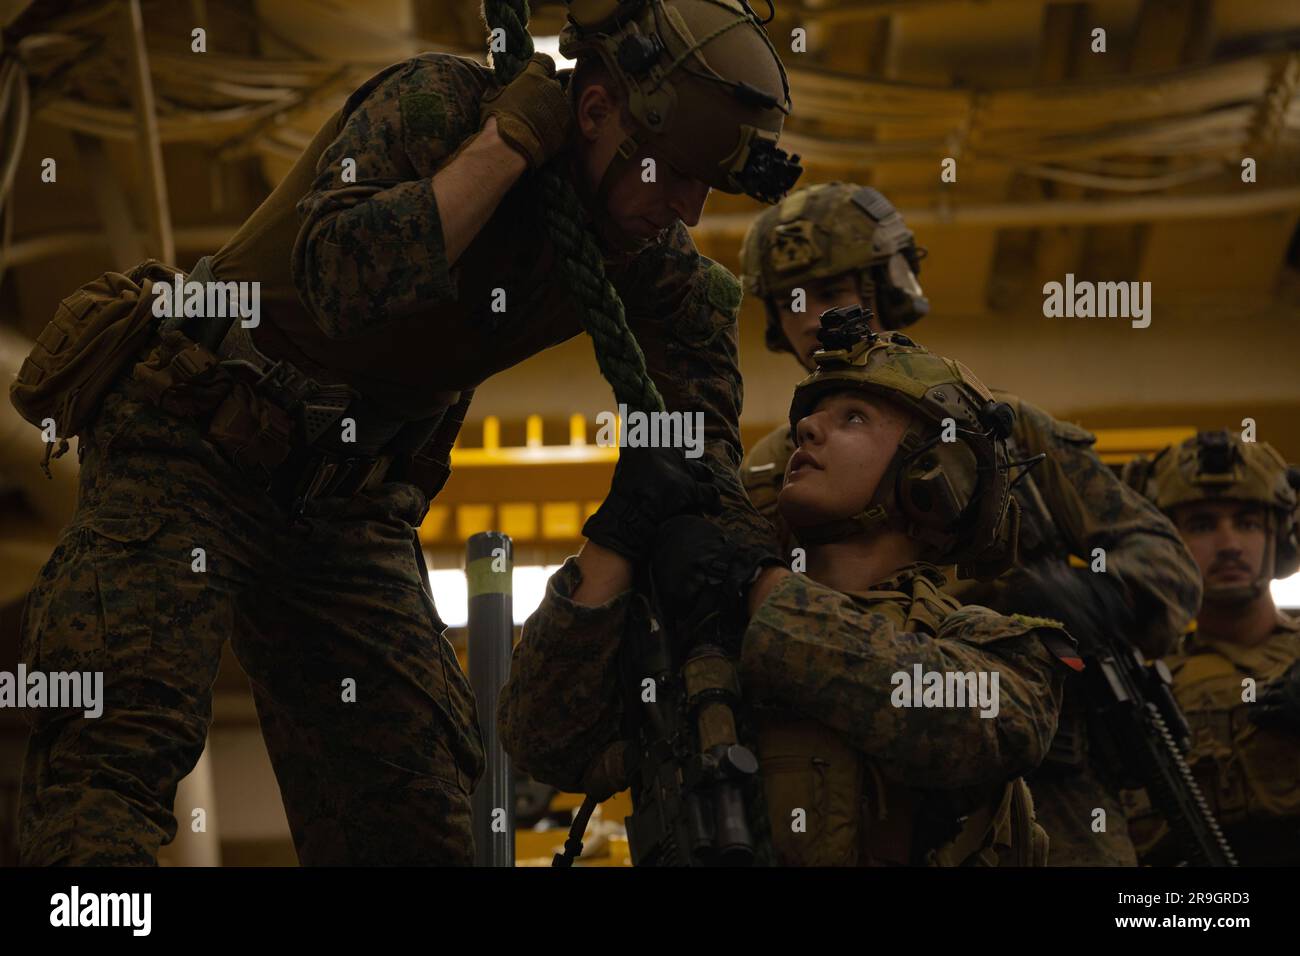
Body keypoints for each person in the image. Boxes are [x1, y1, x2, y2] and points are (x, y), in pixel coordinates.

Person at [11, 0, 798, 865]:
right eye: (671, 174)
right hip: (194, 440)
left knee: (414, 810)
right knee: (113, 749)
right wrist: (501, 153)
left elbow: (704, 424)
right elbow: (341, 282)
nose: (685, 210)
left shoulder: (644, 253)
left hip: (348, 510)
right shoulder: (441, 107)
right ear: (597, 110)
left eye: (702, 187)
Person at [736, 181, 1202, 865]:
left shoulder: (997, 432)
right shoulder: (783, 469)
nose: (813, 317)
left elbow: (1163, 559)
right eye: (791, 300)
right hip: (861, 765)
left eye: (833, 291)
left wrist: (1092, 595)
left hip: (1045, 763)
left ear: (882, 290)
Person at [499, 322, 1080, 866]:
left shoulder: (989, 647)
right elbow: (541, 741)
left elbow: (992, 727)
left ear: (937, 474)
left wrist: (755, 582)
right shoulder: (702, 635)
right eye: (813, 414)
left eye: (853, 417)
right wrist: (616, 538)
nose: (807, 428)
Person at [1123, 431, 1300, 865]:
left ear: (1278, 535)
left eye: (1248, 523)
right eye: (1202, 524)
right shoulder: (1138, 679)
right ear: (1168, 544)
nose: (1230, 545)